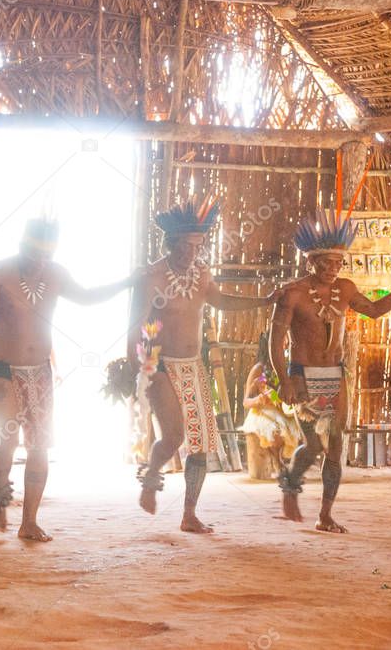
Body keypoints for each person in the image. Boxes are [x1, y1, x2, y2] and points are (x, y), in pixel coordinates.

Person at [0, 217, 132, 542]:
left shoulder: (56, 274)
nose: (37, 260)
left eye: (44, 254)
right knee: (8, 439)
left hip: (40, 370)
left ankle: (29, 521)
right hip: (0, 369)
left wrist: (126, 283)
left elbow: (87, 296)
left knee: (39, 445)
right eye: (31, 251)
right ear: (21, 245)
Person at [128, 199, 278, 534]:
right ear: (170, 244)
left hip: (193, 365)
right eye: (183, 246)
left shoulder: (201, 274)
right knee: (174, 436)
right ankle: (152, 476)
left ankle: (189, 514)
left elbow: (221, 301)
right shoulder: (151, 277)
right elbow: (136, 325)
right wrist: (137, 368)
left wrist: (263, 301)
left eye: (196, 247)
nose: (189, 253)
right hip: (159, 363)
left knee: (200, 443)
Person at [271, 210, 391, 533]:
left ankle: (325, 515)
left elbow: (377, 311)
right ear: (311, 262)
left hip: (334, 376)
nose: (332, 269)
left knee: (337, 445)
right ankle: (290, 484)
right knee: (313, 446)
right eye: (326, 263)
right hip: (303, 375)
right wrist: (284, 380)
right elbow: (276, 340)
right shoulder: (293, 293)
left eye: (338, 264)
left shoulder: (347, 289)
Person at [239, 336, 300, 475]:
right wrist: (259, 399)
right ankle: (277, 461)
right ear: (270, 347)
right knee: (275, 429)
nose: (284, 346)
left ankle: (287, 462)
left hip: (280, 410)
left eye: (285, 344)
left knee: (298, 427)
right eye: (281, 343)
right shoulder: (259, 369)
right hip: (261, 412)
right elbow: (246, 402)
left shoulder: (285, 368)